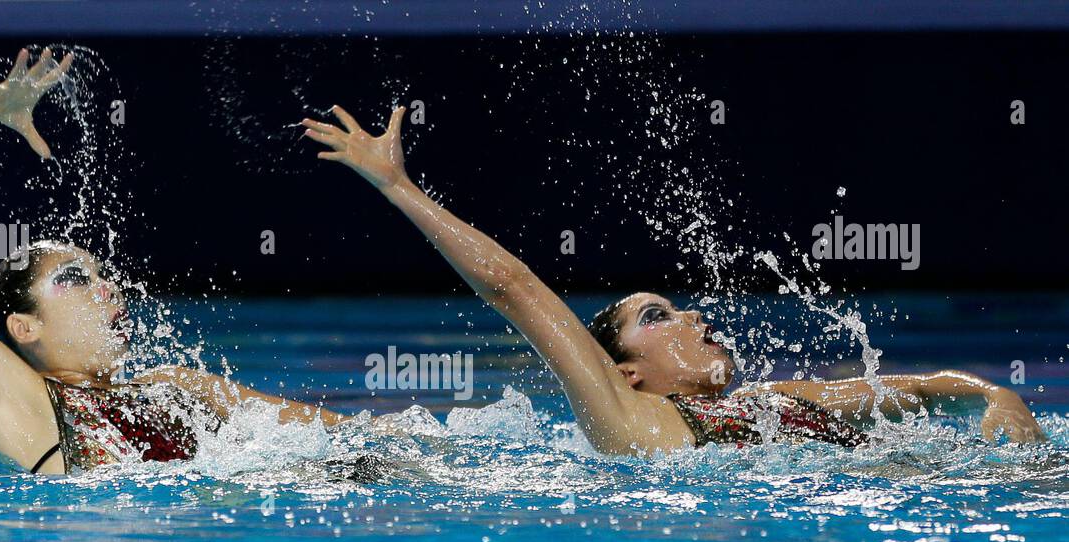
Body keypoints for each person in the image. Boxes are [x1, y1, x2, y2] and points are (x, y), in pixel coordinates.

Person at [302, 104, 1046, 454]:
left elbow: (906, 391)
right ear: (623, 372)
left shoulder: (766, 405)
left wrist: (993, 393)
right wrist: (397, 187)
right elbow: (515, 288)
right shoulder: (630, 423)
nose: (695, 319)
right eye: (657, 316)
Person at [0, 48, 349, 475]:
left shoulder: (178, 386)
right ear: (23, 327)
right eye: (74, 279)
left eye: (101, 275)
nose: (107, 288)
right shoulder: (18, 401)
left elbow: (347, 439)